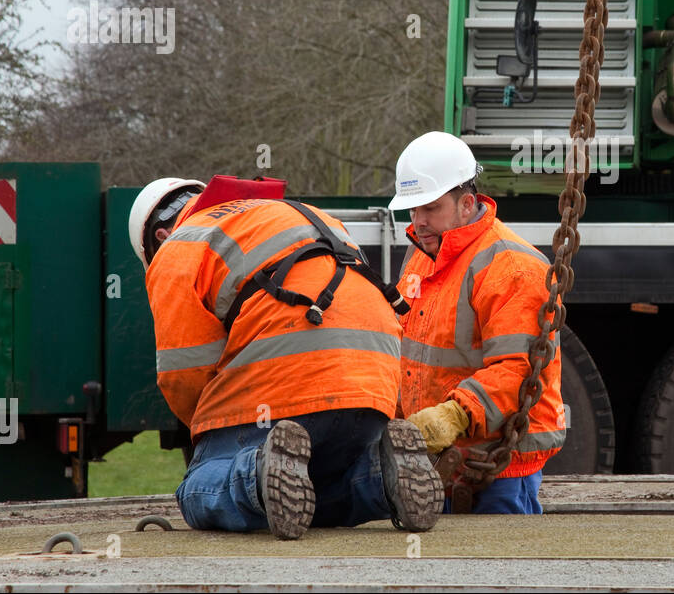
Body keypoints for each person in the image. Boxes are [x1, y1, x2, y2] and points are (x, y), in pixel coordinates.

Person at [129, 175, 444, 540]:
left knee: (199, 488)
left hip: (283, 394)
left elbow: (184, 374)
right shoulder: (299, 214)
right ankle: (380, 479)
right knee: (306, 491)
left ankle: (258, 473)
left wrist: (208, 431)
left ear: (158, 238)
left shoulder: (181, 244)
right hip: (374, 387)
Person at [389, 132, 567, 514]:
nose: (418, 223)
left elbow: (518, 368)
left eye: (430, 209)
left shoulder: (511, 268)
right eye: (412, 210)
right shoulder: (422, 255)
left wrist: (455, 414)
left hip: (499, 469)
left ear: (466, 204)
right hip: (441, 461)